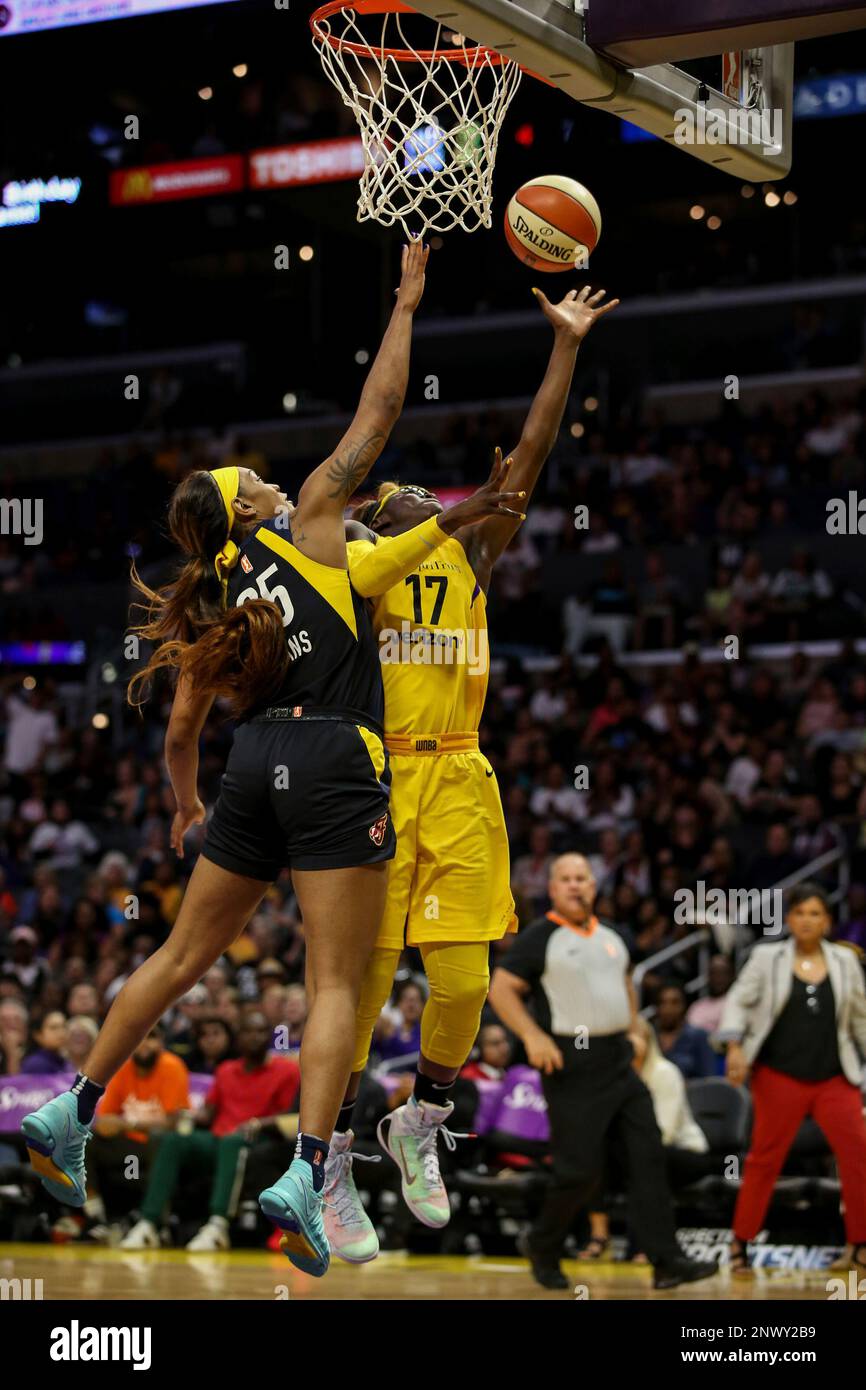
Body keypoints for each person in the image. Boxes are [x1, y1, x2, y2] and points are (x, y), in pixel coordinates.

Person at [21, 241, 523, 1280]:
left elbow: (176, 730)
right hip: (334, 757)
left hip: (250, 766)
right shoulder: (316, 524)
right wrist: (405, 303)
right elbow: (378, 416)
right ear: (244, 505)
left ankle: (70, 1107)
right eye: (246, 476)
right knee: (335, 979)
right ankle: (304, 1168)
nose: (259, 473)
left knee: (174, 955)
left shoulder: (219, 596)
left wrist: (184, 805)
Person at [322, 285, 620, 1264]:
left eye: (426, 491)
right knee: (359, 994)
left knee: (461, 980)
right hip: (373, 786)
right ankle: (324, 1160)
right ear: (372, 517)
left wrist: (564, 348)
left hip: (457, 782)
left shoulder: (471, 549)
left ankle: (420, 1119)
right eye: (394, 493)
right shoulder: (360, 568)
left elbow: (530, 456)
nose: (420, 493)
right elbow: (345, 490)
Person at [489, 852, 717, 1291]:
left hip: (618, 1060)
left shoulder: (614, 935)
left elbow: (626, 984)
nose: (576, 886)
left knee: (648, 1155)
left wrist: (635, 1031)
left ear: (595, 886)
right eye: (567, 879)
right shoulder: (541, 937)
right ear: (553, 889)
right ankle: (543, 1241)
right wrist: (533, 1037)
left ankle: (666, 1261)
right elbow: (501, 990)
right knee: (580, 1172)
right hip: (572, 1063)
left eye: (583, 878)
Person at [719, 883, 866, 1274]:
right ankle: (741, 1243)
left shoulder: (845, 961)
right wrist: (733, 1044)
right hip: (779, 1075)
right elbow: (738, 1000)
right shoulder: (768, 957)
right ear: (789, 919)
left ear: (827, 921)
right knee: (764, 1160)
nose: (807, 920)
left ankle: (859, 1246)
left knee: (858, 1158)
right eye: (800, 913)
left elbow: (860, 1019)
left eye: (815, 913)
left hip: (836, 1077)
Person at [121, 1009, 299, 1252]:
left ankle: (217, 1226)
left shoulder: (286, 1070)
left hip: (257, 1141)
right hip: (218, 1137)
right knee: (173, 1139)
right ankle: (150, 1223)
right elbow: (209, 1113)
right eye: (248, 1032)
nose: (255, 1037)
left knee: (231, 1142)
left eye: (261, 1032)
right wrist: (190, 1116)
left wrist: (259, 1124)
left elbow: (290, 1115)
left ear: (269, 1037)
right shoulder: (226, 1070)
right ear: (238, 1038)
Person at [654, 982, 718, 1079]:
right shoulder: (649, 1037)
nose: (668, 1009)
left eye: (674, 1002)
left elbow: (708, 1079)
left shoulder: (699, 1037)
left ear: (684, 1006)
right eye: (663, 1002)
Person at [20, 1009, 68, 1074]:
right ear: (38, 1035)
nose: (61, 1032)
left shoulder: (63, 1060)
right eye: (53, 1028)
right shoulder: (36, 1064)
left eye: (64, 1026)